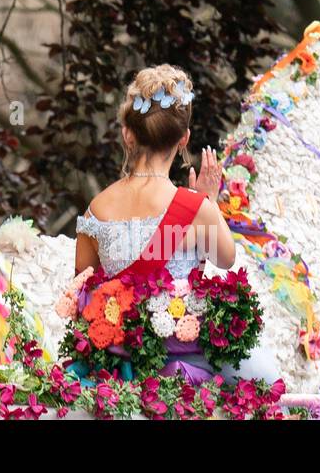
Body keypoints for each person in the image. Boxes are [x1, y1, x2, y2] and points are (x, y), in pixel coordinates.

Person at [74, 64, 276, 381]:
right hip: (185, 361)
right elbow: (225, 259)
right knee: (262, 380)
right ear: (184, 139)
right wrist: (207, 200)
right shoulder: (196, 210)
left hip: (113, 362)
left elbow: (83, 286)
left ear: (127, 134)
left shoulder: (95, 211)